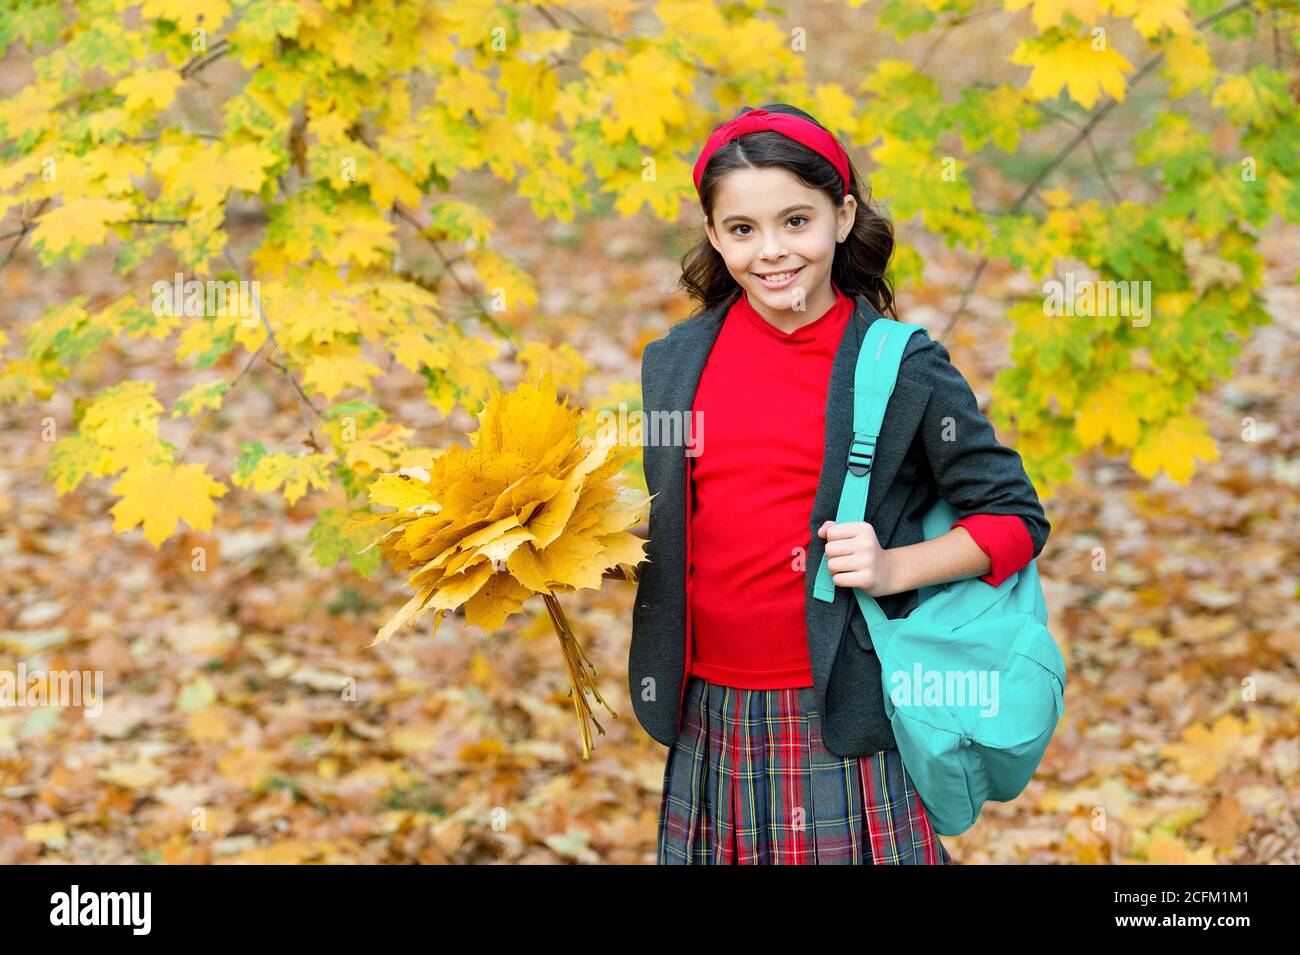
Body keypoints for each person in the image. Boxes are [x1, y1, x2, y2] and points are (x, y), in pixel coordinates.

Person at [629, 104, 1051, 864]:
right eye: (742, 229)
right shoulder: (675, 360)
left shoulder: (899, 366)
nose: (771, 252)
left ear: (843, 214)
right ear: (715, 234)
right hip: (708, 709)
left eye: (796, 221)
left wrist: (896, 566)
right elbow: (675, 522)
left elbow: (1017, 518)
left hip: (842, 707)